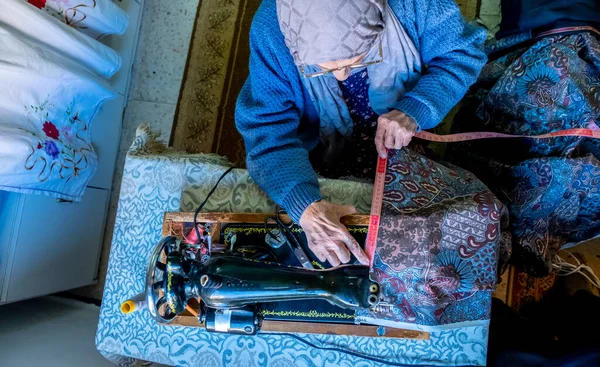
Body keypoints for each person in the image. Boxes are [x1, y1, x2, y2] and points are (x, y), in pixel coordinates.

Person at [235, 0, 487, 267]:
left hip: (411, 131)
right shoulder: (272, 29)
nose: (342, 77)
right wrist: (303, 204)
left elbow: (462, 53)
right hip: (323, 145)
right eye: (325, 69)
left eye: (360, 59)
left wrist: (418, 108)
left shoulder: (416, 4)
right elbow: (267, 128)